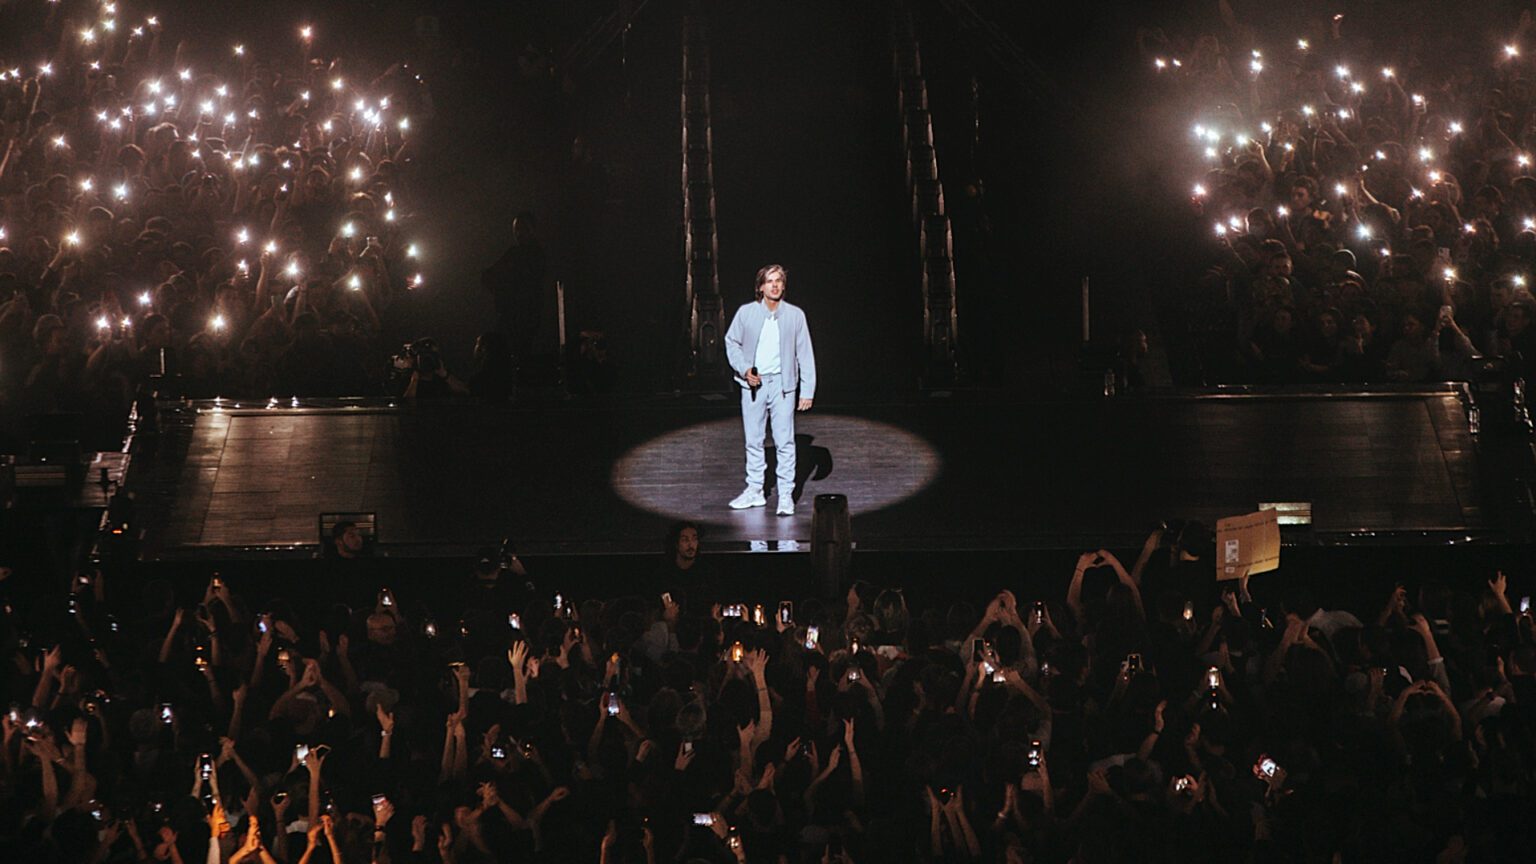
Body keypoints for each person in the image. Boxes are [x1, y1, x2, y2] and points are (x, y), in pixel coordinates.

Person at [723, 264, 817, 515]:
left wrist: (807, 390)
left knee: (784, 441)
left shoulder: (795, 315)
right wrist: (744, 370)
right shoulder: (746, 313)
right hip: (754, 384)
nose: (775, 285)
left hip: (782, 386)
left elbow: (804, 354)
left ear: (784, 285)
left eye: (779, 281)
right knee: (754, 440)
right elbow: (731, 342)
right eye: (770, 281)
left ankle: (786, 495)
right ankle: (755, 490)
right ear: (761, 286)